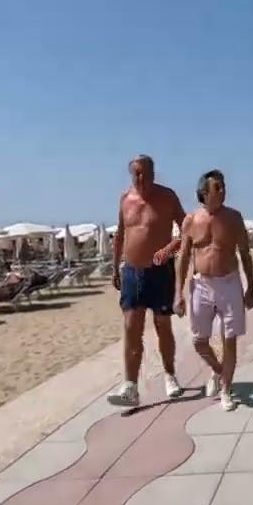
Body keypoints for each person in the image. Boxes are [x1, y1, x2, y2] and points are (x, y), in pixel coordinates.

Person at [107, 154, 187, 407]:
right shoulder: (125, 199)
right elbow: (120, 234)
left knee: (163, 325)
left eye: (145, 172)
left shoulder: (167, 197)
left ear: (153, 173)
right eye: (136, 173)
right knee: (132, 328)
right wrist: (115, 267)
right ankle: (130, 386)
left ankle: (170, 375)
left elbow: (187, 231)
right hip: (132, 272)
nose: (140, 178)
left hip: (160, 272)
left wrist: (169, 249)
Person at [175, 170, 253, 411]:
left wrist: (251, 287)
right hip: (201, 284)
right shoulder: (190, 220)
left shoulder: (234, 218)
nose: (223, 191)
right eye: (217, 187)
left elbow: (245, 254)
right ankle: (218, 371)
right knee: (199, 341)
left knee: (229, 339)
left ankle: (226, 390)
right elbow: (183, 257)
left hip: (229, 282)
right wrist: (178, 293)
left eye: (223, 186)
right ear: (204, 192)